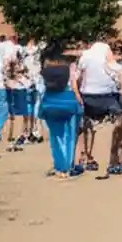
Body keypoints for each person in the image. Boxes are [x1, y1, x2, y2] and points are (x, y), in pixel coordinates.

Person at [77, 40, 122, 176]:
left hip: (88, 95)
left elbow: (77, 79)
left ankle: (85, 157)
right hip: (108, 96)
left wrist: (78, 96)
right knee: (120, 126)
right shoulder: (116, 67)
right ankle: (117, 159)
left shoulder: (85, 58)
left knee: (86, 126)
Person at [38, 43, 84, 178]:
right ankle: (67, 167)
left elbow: (41, 89)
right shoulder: (69, 68)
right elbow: (74, 86)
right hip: (69, 102)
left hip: (50, 103)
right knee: (70, 136)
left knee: (55, 137)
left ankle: (59, 166)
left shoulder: (45, 71)